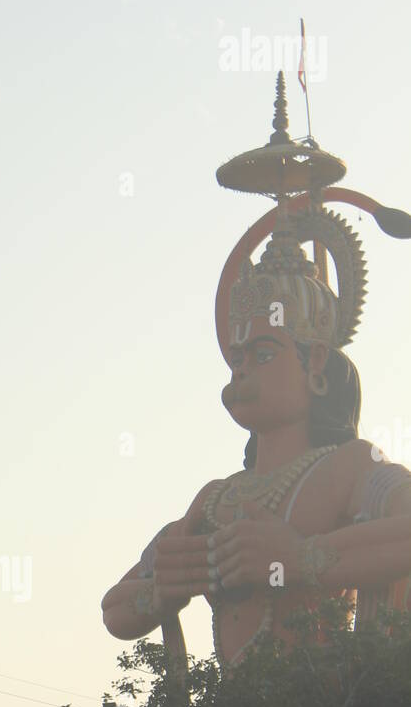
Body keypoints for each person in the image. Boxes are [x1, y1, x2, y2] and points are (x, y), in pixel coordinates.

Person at [101, 75, 411, 670]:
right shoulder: (219, 501)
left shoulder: (351, 467)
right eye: (237, 358)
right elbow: (116, 611)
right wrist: (159, 584)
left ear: (315, 361)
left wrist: (303, 558)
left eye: (264, 355)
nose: (241, 372)